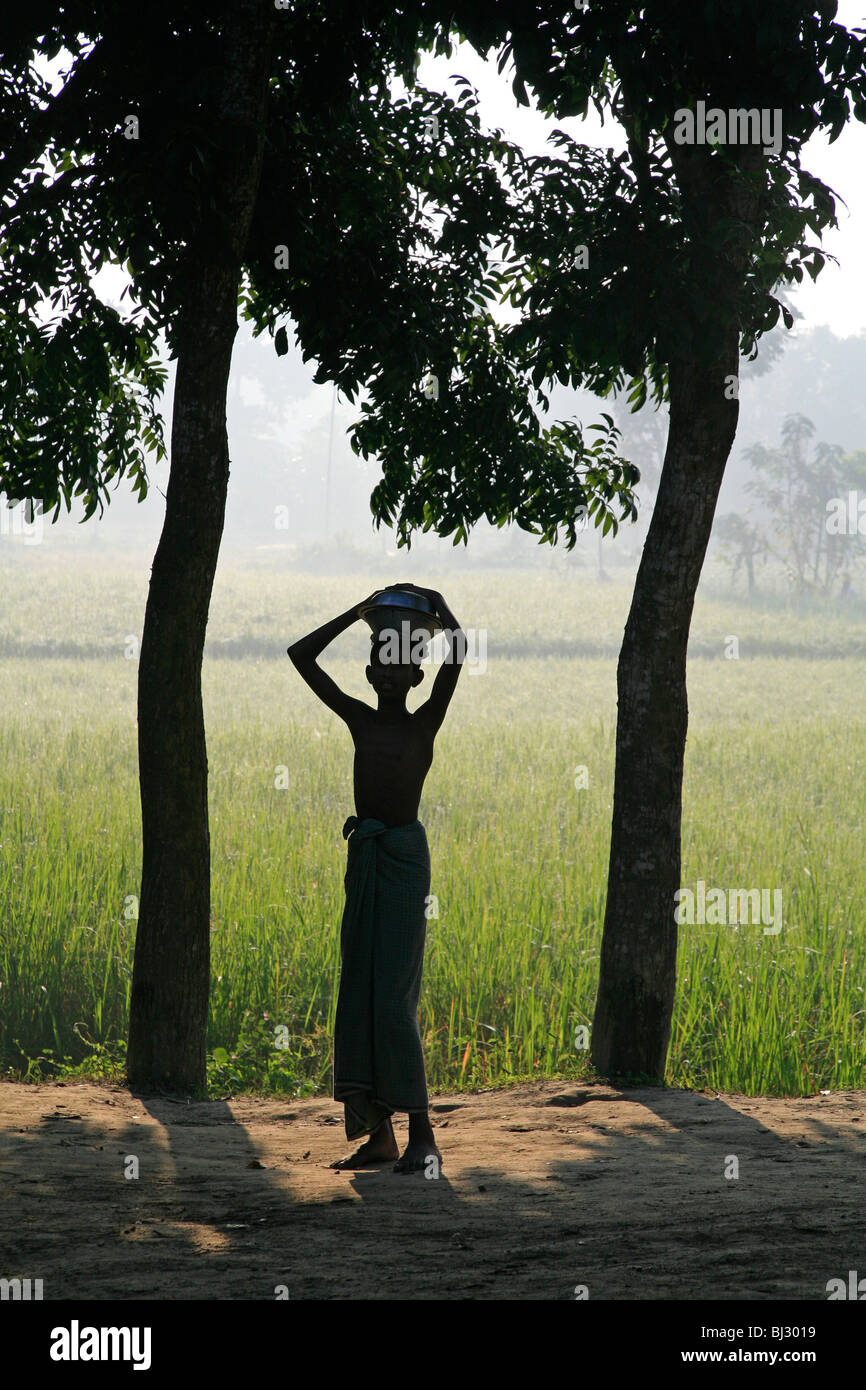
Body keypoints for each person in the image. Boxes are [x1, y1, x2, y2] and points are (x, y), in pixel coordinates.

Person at [287, 583, 464, 1172]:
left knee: (393, 1000)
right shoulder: (359, 719)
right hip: (365, 859)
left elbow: (458, 652)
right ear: (368, 672)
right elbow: (301, 655)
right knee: (361, 991)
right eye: (380, 663)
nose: (389, 674)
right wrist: (357, 612)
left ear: (416, 677)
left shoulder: (424, 725)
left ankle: (424, 1137)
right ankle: (381, 1137)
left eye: (402, 665)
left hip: (404, 861)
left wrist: (438, 604)